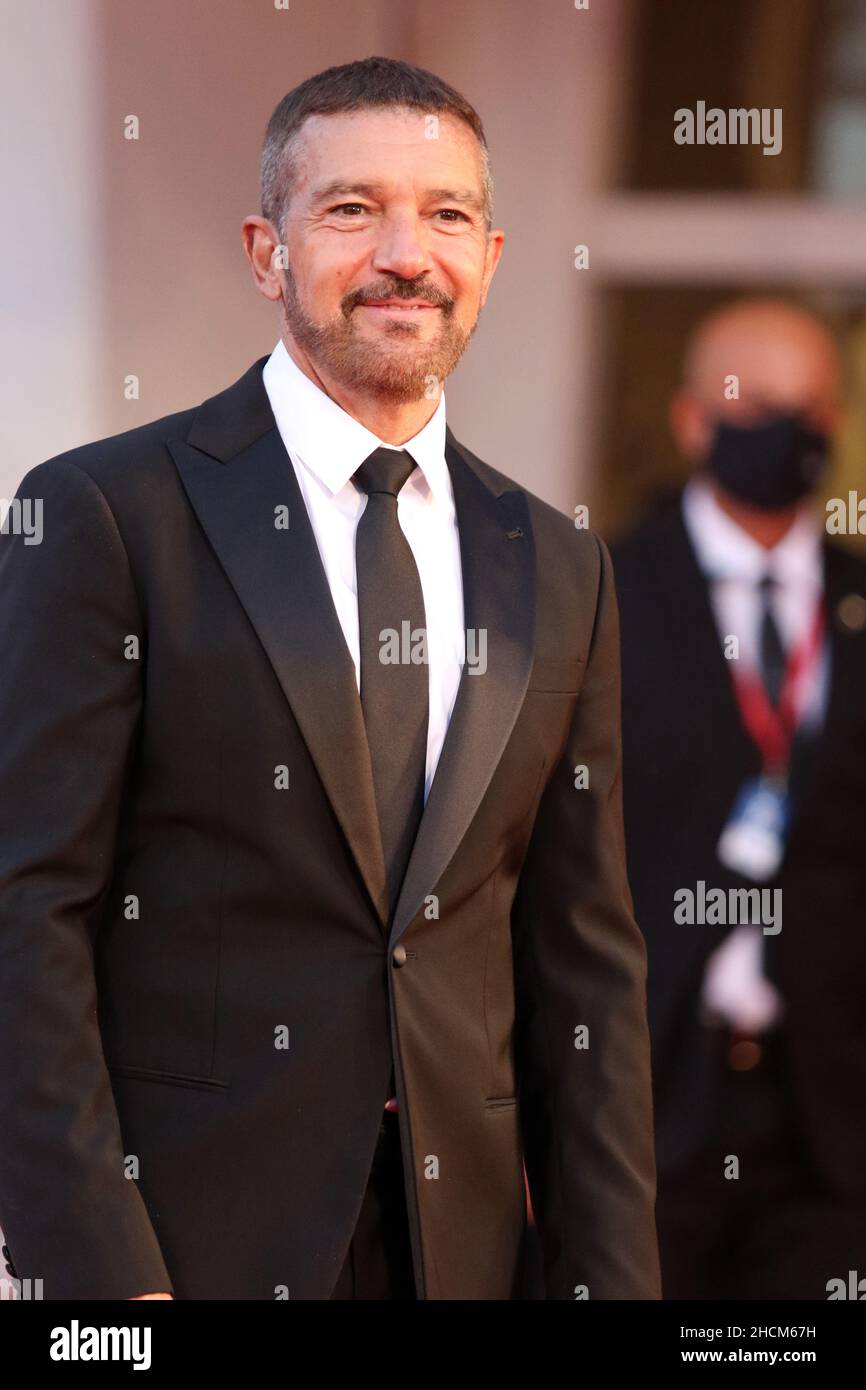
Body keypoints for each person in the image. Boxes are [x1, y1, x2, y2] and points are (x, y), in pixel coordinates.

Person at [0, 56, 660, 1300]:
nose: (407, 254)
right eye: (352, 209)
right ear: (267, 249)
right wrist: (103, 1278)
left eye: (447, 215)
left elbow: (586, 965)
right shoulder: (103, 515)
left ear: (493, 255)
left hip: (460, 1261)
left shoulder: (560, 565)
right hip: (182, 1260)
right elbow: (24, 913)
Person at [611, 297, 866, 1300]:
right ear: (690, 418)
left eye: (806, 408)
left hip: (826, 1124)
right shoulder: (598, 593)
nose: (784, 429)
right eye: (754, 403)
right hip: (640, 1101)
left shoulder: (856, 604)